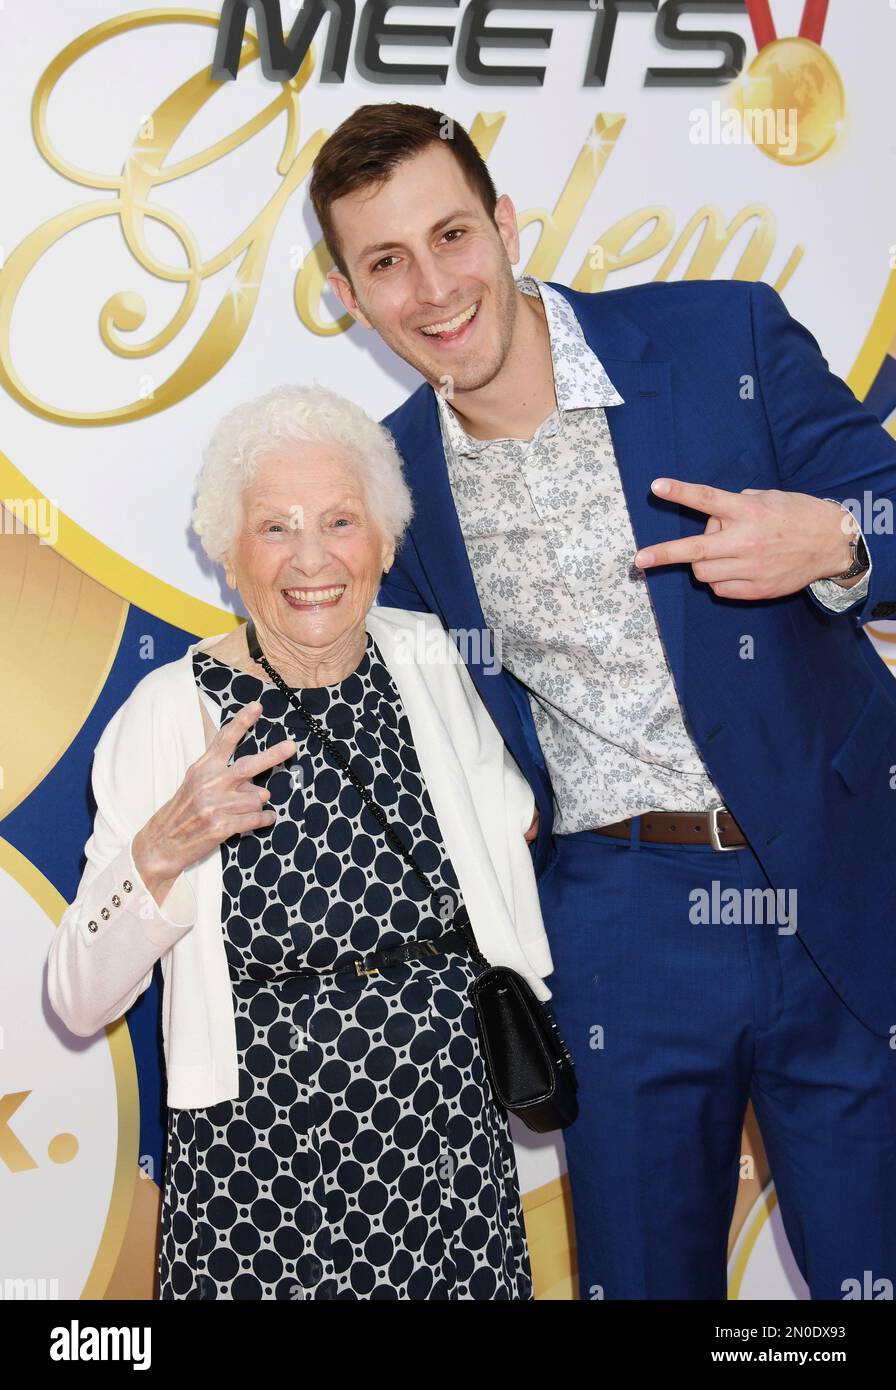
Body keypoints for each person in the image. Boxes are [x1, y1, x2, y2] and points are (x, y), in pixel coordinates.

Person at [308, 102, 896, 1301]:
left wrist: (835, 540)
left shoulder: (719, 328)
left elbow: (881, 508)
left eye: (452, 236)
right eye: (385, 263)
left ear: (506, 224)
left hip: (838, 885)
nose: (431, 288)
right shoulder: (389, 486)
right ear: (347, 296)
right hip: (622, 928)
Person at [47, 383, 553, 1301]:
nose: (310, 559)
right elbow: (77, 998)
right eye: (274, 528)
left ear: (387, 544)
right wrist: (161, 850)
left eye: (340, 522)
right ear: (228, 555)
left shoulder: (436, 662)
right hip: (258, 1162)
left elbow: (514, 814)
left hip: (446, 1134)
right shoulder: (169, 715)